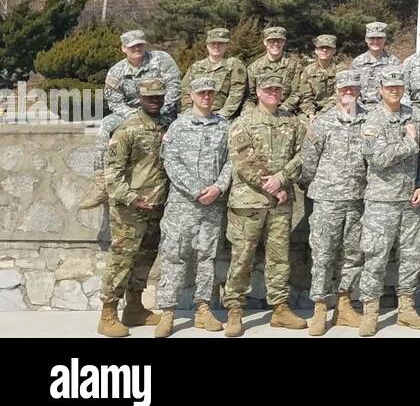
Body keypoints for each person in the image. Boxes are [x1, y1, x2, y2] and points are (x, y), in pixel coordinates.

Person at [223, 72, 306, 336]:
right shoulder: (242, 122)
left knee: (280, 257)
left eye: (277, 90)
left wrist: (282, 179)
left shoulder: (292, 122)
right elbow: (243, 160)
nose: (273, 93)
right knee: (242, 257)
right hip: (249, 202)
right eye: (268, 89)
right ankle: (235, 309)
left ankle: (280, 308)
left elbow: (305, 153)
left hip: (281, 202)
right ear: (258, 92)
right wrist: (271, 186)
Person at [155, 76, 231, 337]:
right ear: (192, 95)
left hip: (212, 205)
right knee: (174, 256)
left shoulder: (224, 126)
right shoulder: (178, 126)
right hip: (182, 205)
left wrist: (218, 187)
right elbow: (171, 162)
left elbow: (232, 161)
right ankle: (167, 313)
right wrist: (196, 190)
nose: (206, 97)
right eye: (201, 93)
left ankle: (203, 309)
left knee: (206, 258)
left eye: (210, 93)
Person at [357, 71, 420, 336]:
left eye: (399, 86)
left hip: (410, 199)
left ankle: (407, 309)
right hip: (381, 201)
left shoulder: (416, 115)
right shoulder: (371, 120)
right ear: (380, 89)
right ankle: (370, 312)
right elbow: (377, 159)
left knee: (411, 257)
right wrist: (408, 141)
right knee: (375, 257)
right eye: (389, 87)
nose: (395, 90)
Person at [96, 77, 169, 337]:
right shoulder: (127, 129)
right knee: (122, 260)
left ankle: (135, 308)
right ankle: (107, 314)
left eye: (159, 97)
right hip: (130, 208)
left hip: (155, 206)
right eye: (150, 97)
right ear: (140, 98)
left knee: (145, 258)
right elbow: (112, 173)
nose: (155, 101)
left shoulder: (164, 126)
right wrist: (130, 197)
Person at [79, 29, 181, 209]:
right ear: (123, 48)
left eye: (140, 44)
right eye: (132, 46)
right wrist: (135, 117)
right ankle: (101, 183)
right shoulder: (116, 71)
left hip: (163, 109)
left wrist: (160, 110)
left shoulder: (162, 59)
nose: (137, 48)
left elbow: (174, 87)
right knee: (105, 126)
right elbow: (114, 101)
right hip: (131, 114)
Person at [299, 69, 368, 335]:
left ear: (359, 90)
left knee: (353, 255)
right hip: (327, 199)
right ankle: (319, 308)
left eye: (352, 88)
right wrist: (313, 187)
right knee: (323, 254)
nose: (348, 93)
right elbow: (308, 161)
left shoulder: (368, 121)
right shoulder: (323, 122)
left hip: (357, 199)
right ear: (336, 92)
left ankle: (344, 306)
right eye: (343, 89)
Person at [180, 27, 246, 119]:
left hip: (222, 117)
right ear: (207, 45)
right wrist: (188, 113)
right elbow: (185, 91)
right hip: (195, 116)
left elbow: (236, 94)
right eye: (213, 43)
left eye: (220, 43)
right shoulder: (196, 67)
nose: (216, 46)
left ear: (226, 45)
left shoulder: (234, 65)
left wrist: (221, 116)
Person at [244, 26, 302, 115]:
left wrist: (282, 110)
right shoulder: (254, 67)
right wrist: (252, 112)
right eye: (271, 41)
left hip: (286, 111)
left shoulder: (294, 66)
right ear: (264, 42)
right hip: (260, 113)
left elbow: (297, 93)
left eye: (279, 41)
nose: (276, 44)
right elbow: (249, 97)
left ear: (284, 42)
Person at [352, 21, 403, 108]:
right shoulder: (357, 62)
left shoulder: (394, 62)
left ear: (385, 39)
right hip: (361, 109)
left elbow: (398, 91)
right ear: (366, 39)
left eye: (379, 38)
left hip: (386, 109)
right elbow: (353, 90)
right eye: (372, 38)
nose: (375, 41)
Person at [296, 34, 344, 124]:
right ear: (316, 50)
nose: (325, 50)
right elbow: (306, 96)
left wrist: (322, 114)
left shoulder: (342, 70)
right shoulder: (308, 71)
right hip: (312, 111)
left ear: (334, 51)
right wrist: (310, 114)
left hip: (335, 109)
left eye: (328, 48)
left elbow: (339, 96)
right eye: (321, 47)